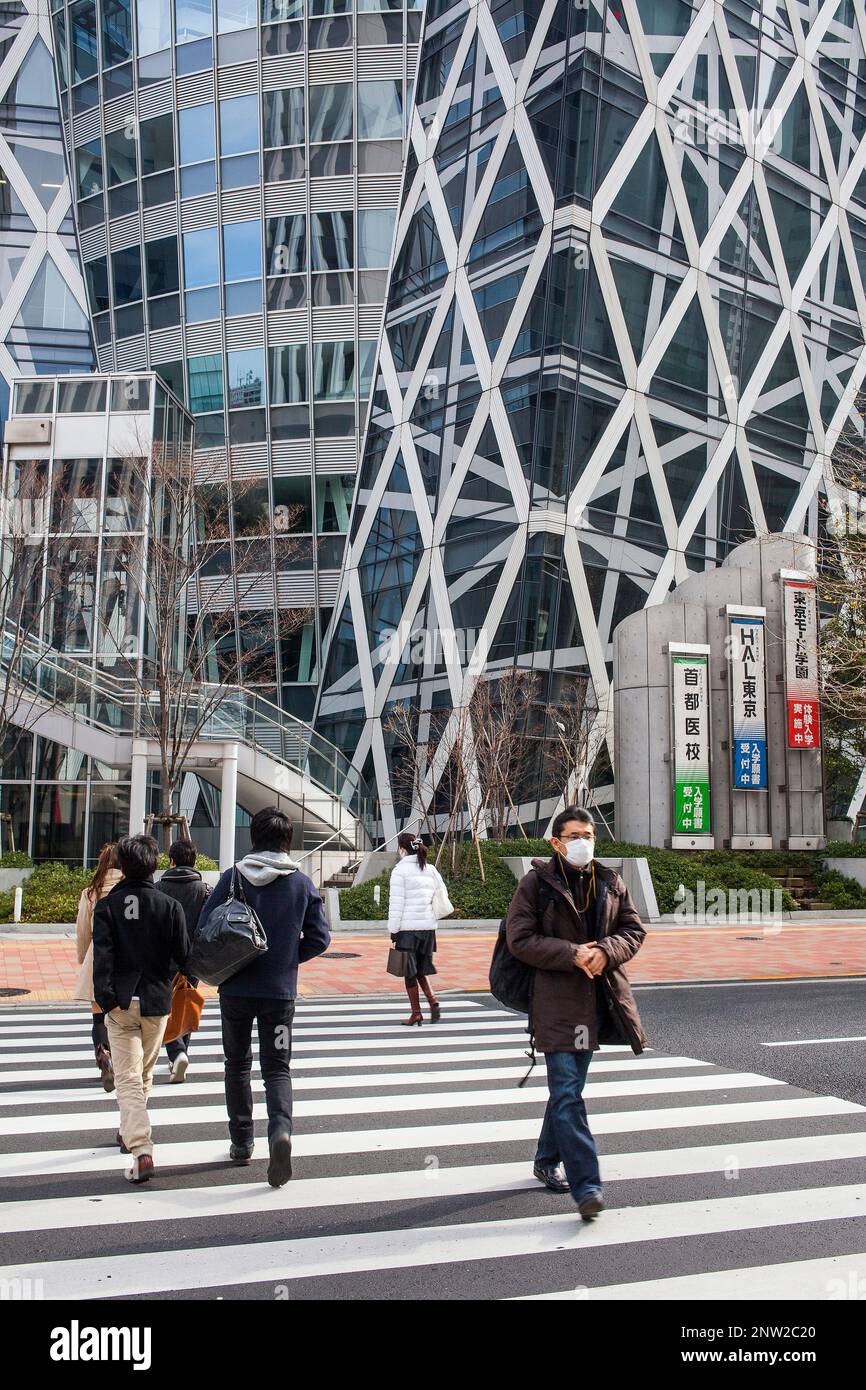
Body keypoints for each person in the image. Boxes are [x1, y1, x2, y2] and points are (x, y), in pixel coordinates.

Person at [505, 806, 646, 1221]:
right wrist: (573, 954)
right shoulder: (536, 884)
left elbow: (633, 930)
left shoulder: (611, 881)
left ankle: (546, 1159)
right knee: (567, 1092)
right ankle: (587, 1186)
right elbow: (520, 939)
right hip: (554, 1003)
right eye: (574, 836)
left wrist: (605, 952)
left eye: (589, 835)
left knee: (567, 1091)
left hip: (595, 1004)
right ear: (555, 842)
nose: (583, 843)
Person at [196, 806, 330, 1187]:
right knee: (277, 1068)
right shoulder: (302, 884)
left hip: (235, 989)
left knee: (236, 1065)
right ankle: (280, 1133)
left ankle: (241, 1142)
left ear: (252, 838)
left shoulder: (232, 877)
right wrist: (288, 957)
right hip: (279, 993)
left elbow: (206, 926)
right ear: (288, 841)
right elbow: (320, 939)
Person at [92, 834, 191, 1184]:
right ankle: (129, 1133)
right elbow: (184, 957)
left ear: (122, 866)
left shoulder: (107, 907)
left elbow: (102, 958)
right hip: (156, 1001)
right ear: (154, 865)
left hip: (120, 1002)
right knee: (143, 1073)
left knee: (129, 1077)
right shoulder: (169, 906)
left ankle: (140, 1147)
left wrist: (105, 999)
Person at [157, 838, 211, 1083]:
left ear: (172, 861)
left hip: (162, 958)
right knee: (186, 1001)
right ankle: (180, 1054)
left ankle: (176, 1052)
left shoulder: (157, 889)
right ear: (194, 861)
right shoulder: (205, 890)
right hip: (194, 959)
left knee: (166, 1008)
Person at [73, 843, 123, 1091]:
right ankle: (121, 1059)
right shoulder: (129, 890)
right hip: (125, 958)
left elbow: (83, 932)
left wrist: (84, 958)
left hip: (97, 955)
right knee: (121, 1014)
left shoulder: (91, 892)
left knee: (98, 1014)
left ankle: (104, 1055)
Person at [387, 832, 445, 1026]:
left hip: (408, 930)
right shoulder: (430, 869)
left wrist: (393, 929)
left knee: (409, 973)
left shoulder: (400, 871)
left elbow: (396, 903)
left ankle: (416, 1013)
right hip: (428, 929)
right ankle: (433, 1001)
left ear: (402, 849)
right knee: (421, 970)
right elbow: (441, 895)